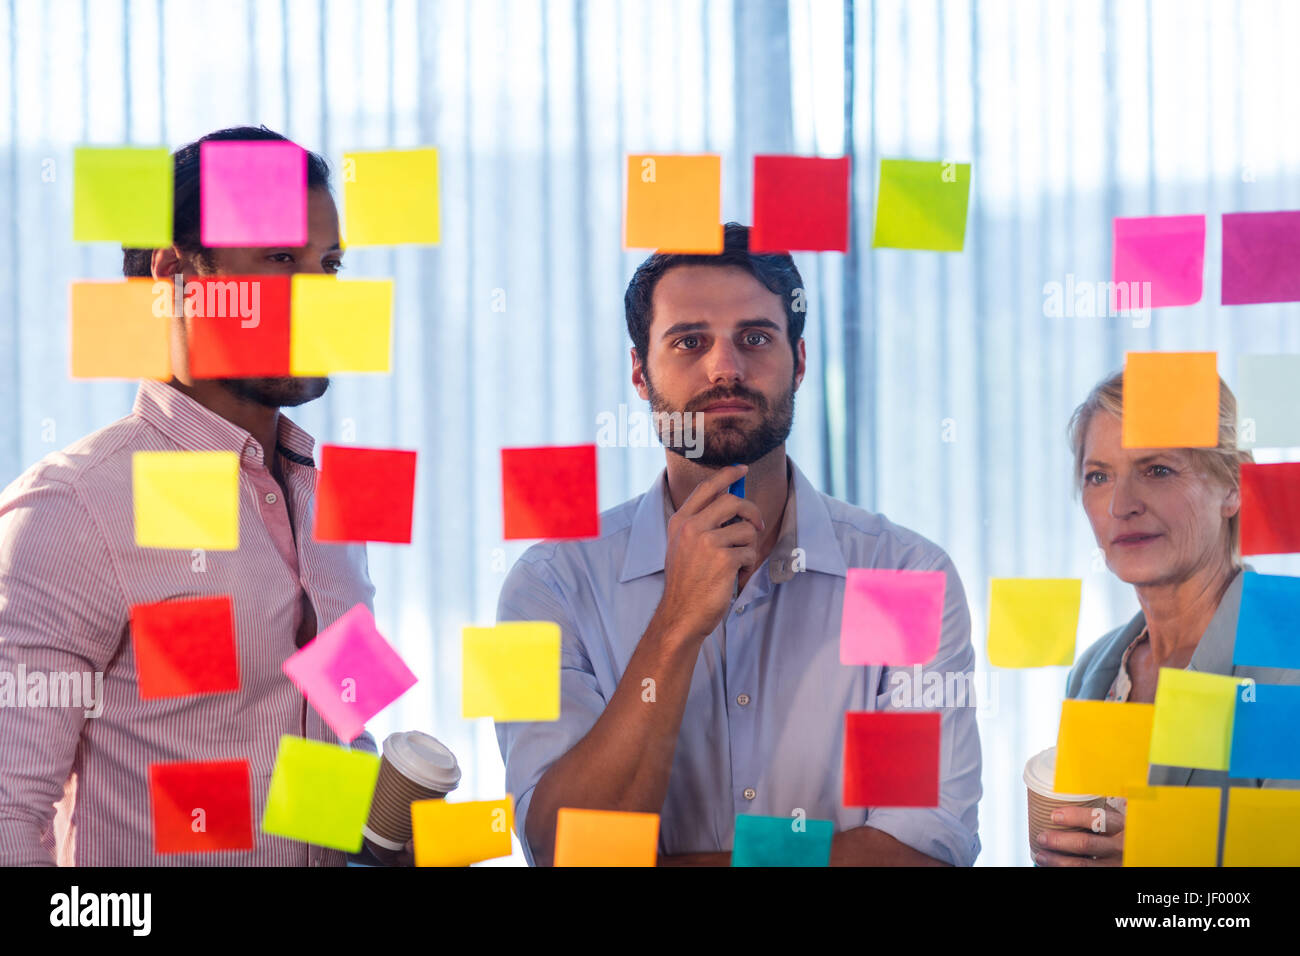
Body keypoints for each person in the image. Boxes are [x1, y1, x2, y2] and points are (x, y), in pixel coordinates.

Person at [495, 223, 982, 866]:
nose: (725, 367)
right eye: (689, 341)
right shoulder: (546, 585)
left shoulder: (905, 578)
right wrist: (675, 626)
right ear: (640, 374)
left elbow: (922, 849)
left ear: (799, 362)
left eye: (755, 338)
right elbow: (560, 847)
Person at [0, 126, 378, 866]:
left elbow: (339, 732)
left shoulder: (337, 501)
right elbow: (12, 818)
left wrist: (389, 825)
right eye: (279, 259)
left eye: (328, 265)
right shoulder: (71, 511)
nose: (319, 295)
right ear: (178, 272)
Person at [1036, 370, 1300, 867]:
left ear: (1234, 485)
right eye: (1099, 476)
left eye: (1157, 469)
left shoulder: (1290, 649)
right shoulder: (1096, 670)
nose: (1121, 505)